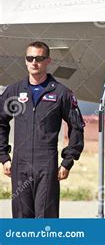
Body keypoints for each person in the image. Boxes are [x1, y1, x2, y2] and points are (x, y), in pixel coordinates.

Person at [0, 41, 85, 218]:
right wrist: (4, 157)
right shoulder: (14, 91)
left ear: (48, 61)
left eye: (39, 58)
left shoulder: (61, 93)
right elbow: (1, 122)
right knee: (22, 219)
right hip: (20, 164)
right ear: (25, 60)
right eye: (30, 58)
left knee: (46, 219)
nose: (34, 62)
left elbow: (76, 126)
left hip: (47, 164)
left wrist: (68, 161)